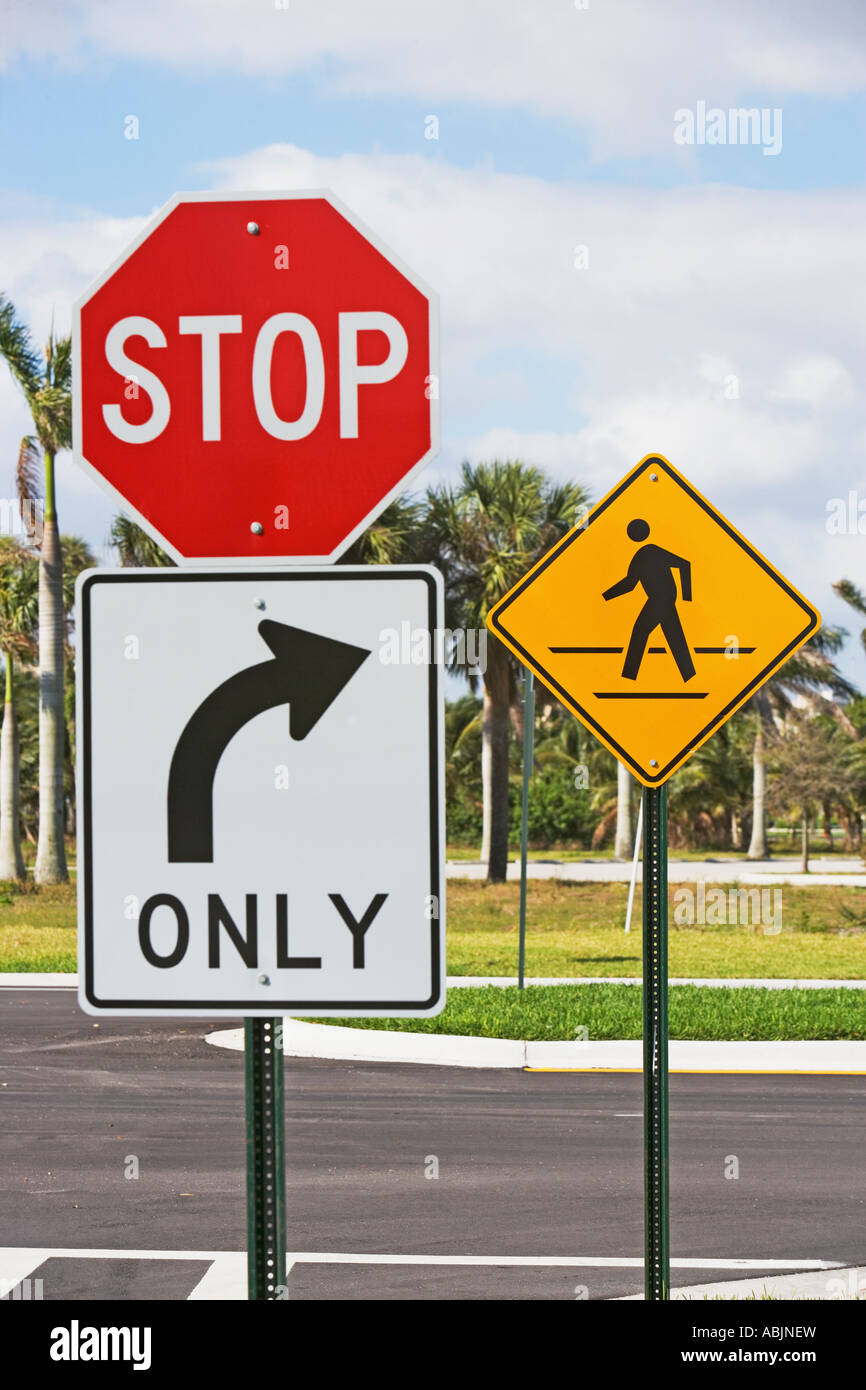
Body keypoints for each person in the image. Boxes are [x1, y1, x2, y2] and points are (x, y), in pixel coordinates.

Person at [602, 519, 695, 681]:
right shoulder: (642, 555)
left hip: (660, 600)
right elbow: (630, 584)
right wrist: (605, 596)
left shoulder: (650, 551)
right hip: (662, 600)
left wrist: (687, 598)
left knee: (640, 632)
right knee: (675, 637)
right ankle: (690, 676)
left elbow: (685, 565)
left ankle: (628, 677)